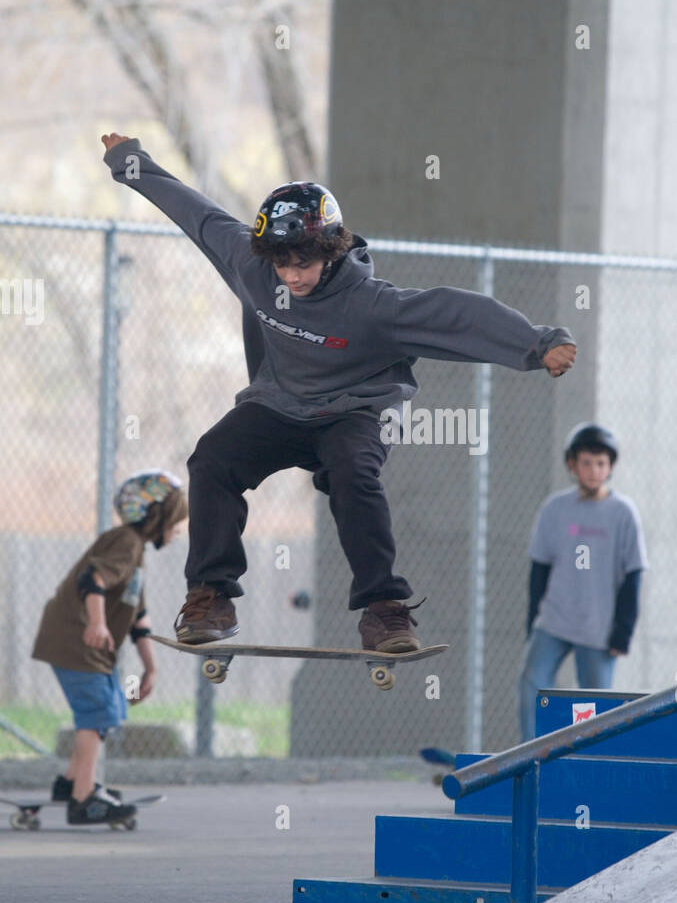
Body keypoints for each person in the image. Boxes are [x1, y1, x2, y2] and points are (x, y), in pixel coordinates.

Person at [99, 133, 577, 653]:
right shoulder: (251, 266)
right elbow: (197, 213)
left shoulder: (373, 306)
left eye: (303, 264)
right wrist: (130, 162)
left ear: (330, 250)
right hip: (279, 407)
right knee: (212, 458)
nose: (291, 276)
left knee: (353, 472)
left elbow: (457, 312)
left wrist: (537, 344)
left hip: (356, 412)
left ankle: (384, 611)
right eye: (281, 264)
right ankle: (211, 597)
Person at [32, 471, 187, 825]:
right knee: (99, 711)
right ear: (153, 515)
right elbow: (94, 579)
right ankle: (84, 800)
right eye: (175, 518)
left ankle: (72, 783)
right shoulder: (125, 541)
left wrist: (151, 667)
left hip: (88, 645)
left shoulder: (136, 550)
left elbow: (138, 614)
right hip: (77, 637)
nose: (179, 528)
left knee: (111, 706)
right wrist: (98, 623)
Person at [517, 423, 646, 741]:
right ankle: (530, 757)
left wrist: (623, 632)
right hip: (554, 620)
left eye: (601, 463)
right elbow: (540, 569)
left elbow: (633, 574)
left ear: (610, 467)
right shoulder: (555, 509)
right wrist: (533, 619)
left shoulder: (623, 512)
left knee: (594, 705)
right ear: (572, 465)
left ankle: (587, 761)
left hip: (598, 627)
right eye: (586, 463)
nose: (593, 471)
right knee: (532, 683)